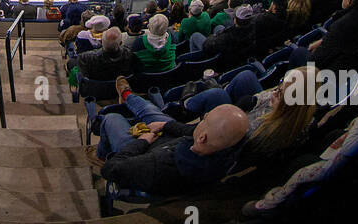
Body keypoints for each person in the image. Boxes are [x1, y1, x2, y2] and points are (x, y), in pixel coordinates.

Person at [92, 76, 250, 196]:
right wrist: (165, 125)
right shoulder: (225, 150)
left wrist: (142, 141)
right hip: (168, 143)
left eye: (205, 119)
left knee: (112, 118)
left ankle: (100, 155)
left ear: (202, 138)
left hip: (144, 153)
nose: (204, 117)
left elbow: (111, 168)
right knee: (150, 111)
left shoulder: (156, 167)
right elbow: (191, 131)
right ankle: (127, 96)